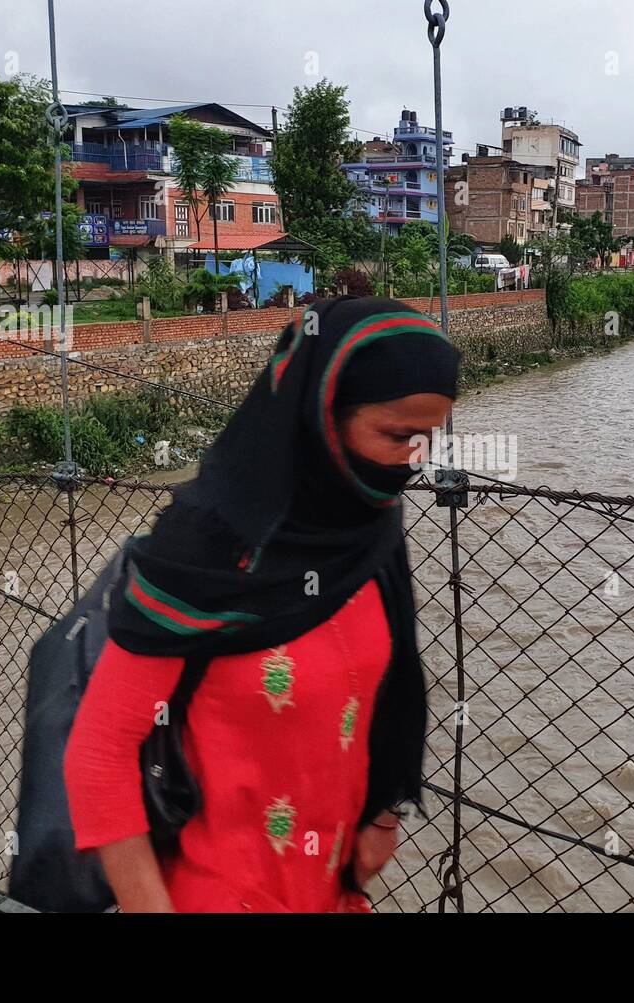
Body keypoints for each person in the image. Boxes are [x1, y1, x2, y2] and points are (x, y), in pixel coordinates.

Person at [64, 297, 460, 912]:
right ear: (321, 415)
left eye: (427, 439)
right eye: (397, 436)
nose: (415, 462)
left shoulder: (365, 530)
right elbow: (100, 751)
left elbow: (397, 686)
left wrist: (383, 814)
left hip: (330, 892)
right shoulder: (201, 552)